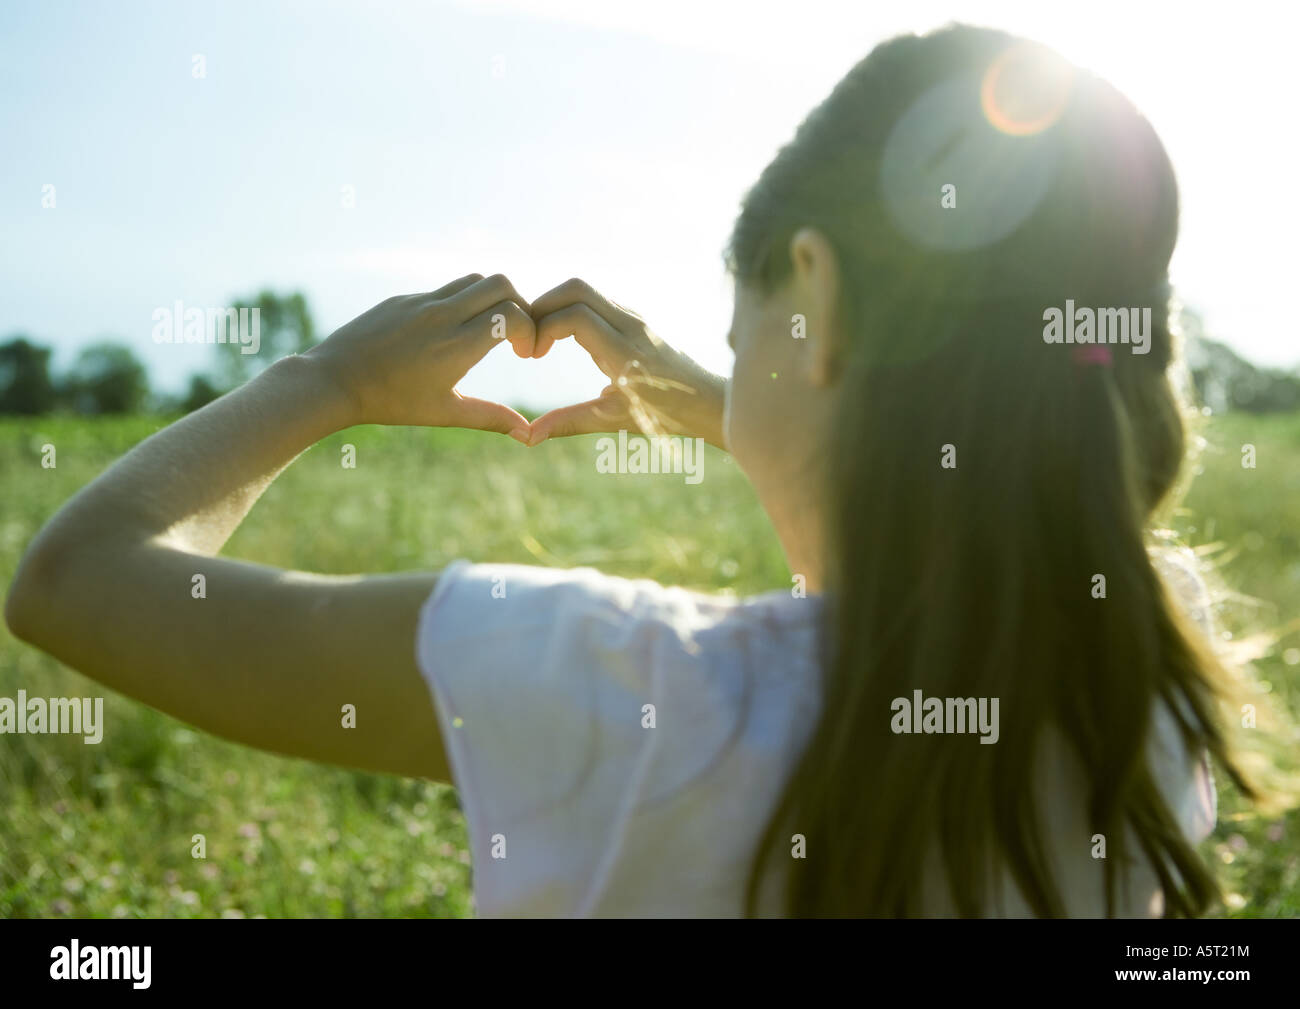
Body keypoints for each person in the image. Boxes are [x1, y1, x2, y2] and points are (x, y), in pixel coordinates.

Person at [5, 24, 1253, 917]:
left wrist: (325, 383)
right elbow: (953, 516)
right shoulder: (1146, 668)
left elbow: (71, 581)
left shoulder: (621, 695)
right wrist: (741, 403)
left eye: (739, 329)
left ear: (815, 287)